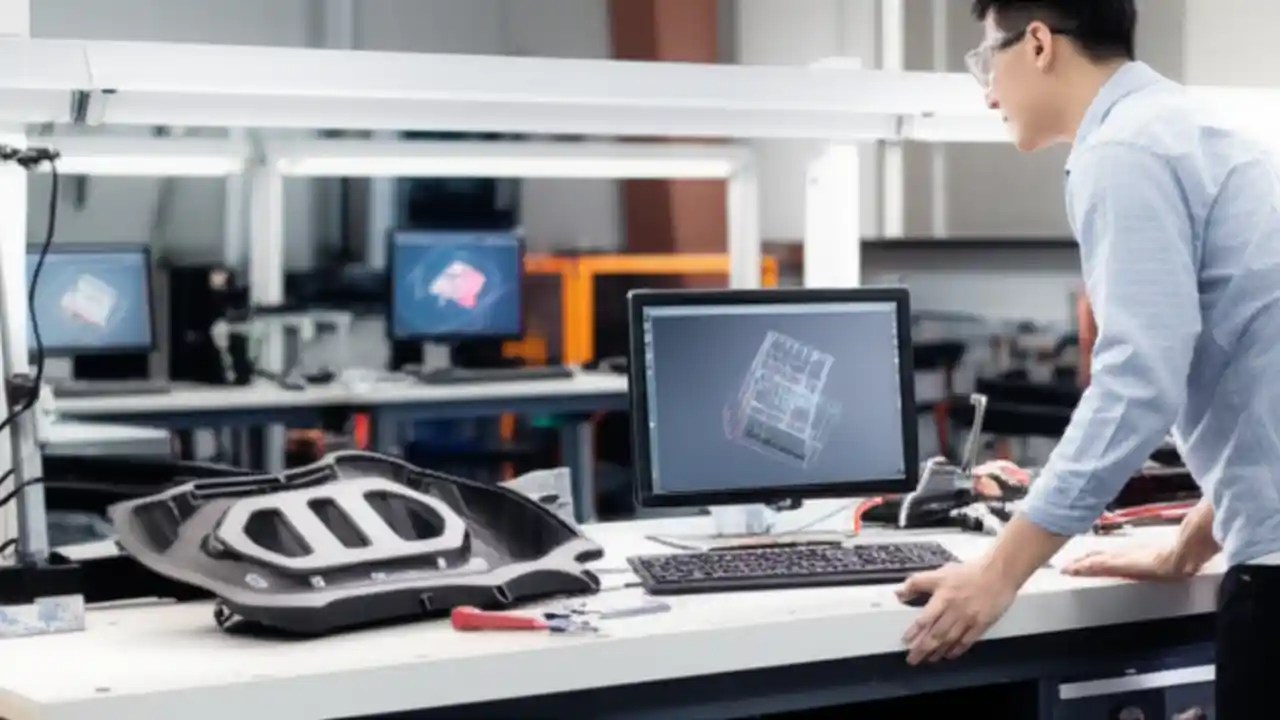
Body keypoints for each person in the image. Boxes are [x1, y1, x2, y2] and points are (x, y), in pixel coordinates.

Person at [896, 1, 1280, 715]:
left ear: (1038, 43)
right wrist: (1189, 545)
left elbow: (1138, 385)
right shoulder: (1199, 131)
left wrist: (997, 573)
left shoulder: (1123, 151)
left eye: (988, 60)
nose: (987, 92)